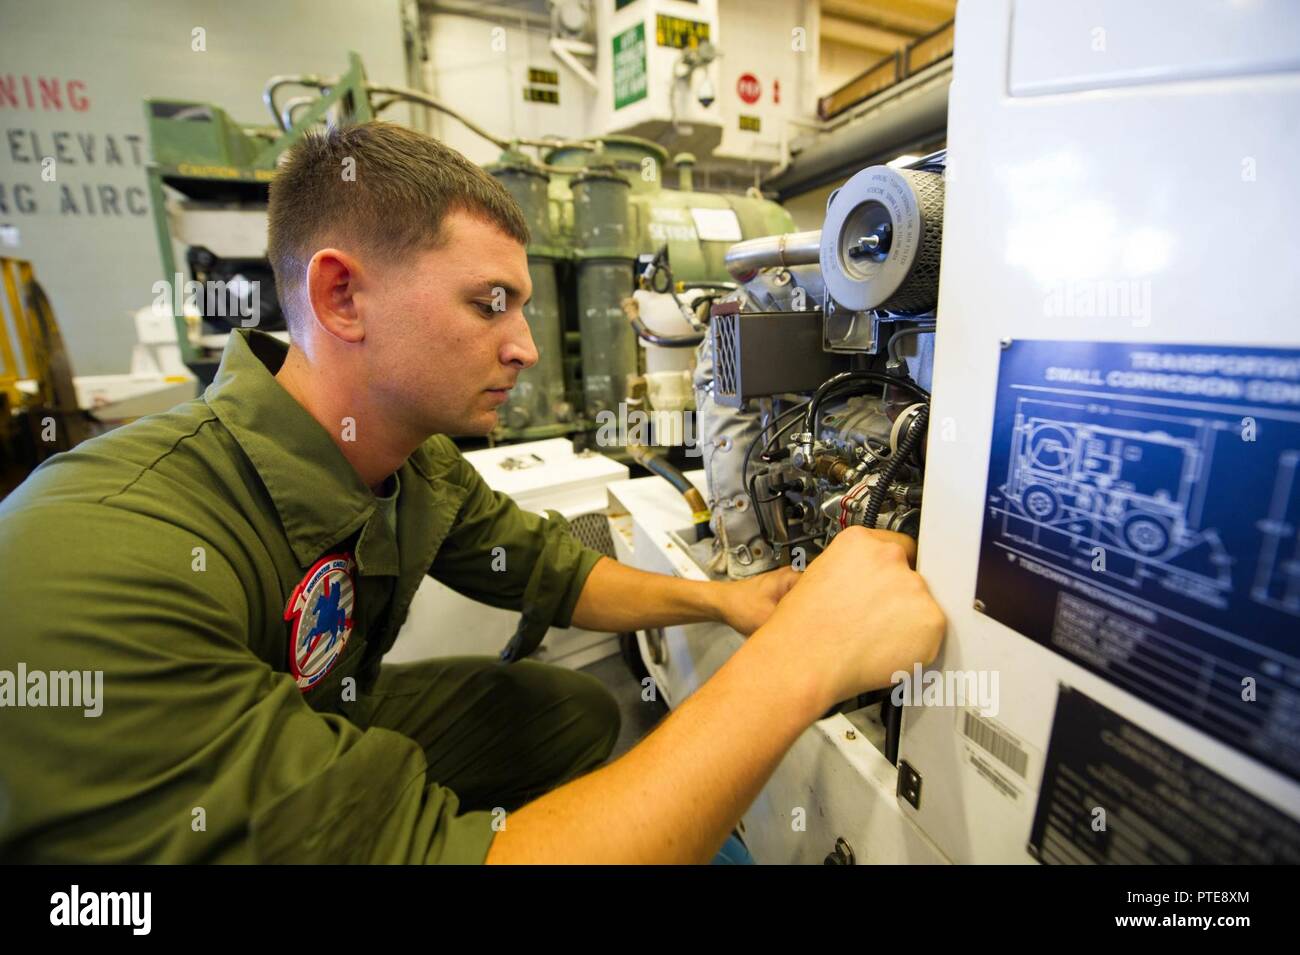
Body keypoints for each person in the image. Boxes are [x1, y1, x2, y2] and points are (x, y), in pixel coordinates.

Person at [0, 122, 943, 863]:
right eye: (489, 303)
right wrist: (805, 660)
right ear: (341, 299)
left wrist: (725, 601)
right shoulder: (105, 553)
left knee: (568, 712)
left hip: (313, 712)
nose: (527, 346)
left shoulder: (404, 459)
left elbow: (549, 572)